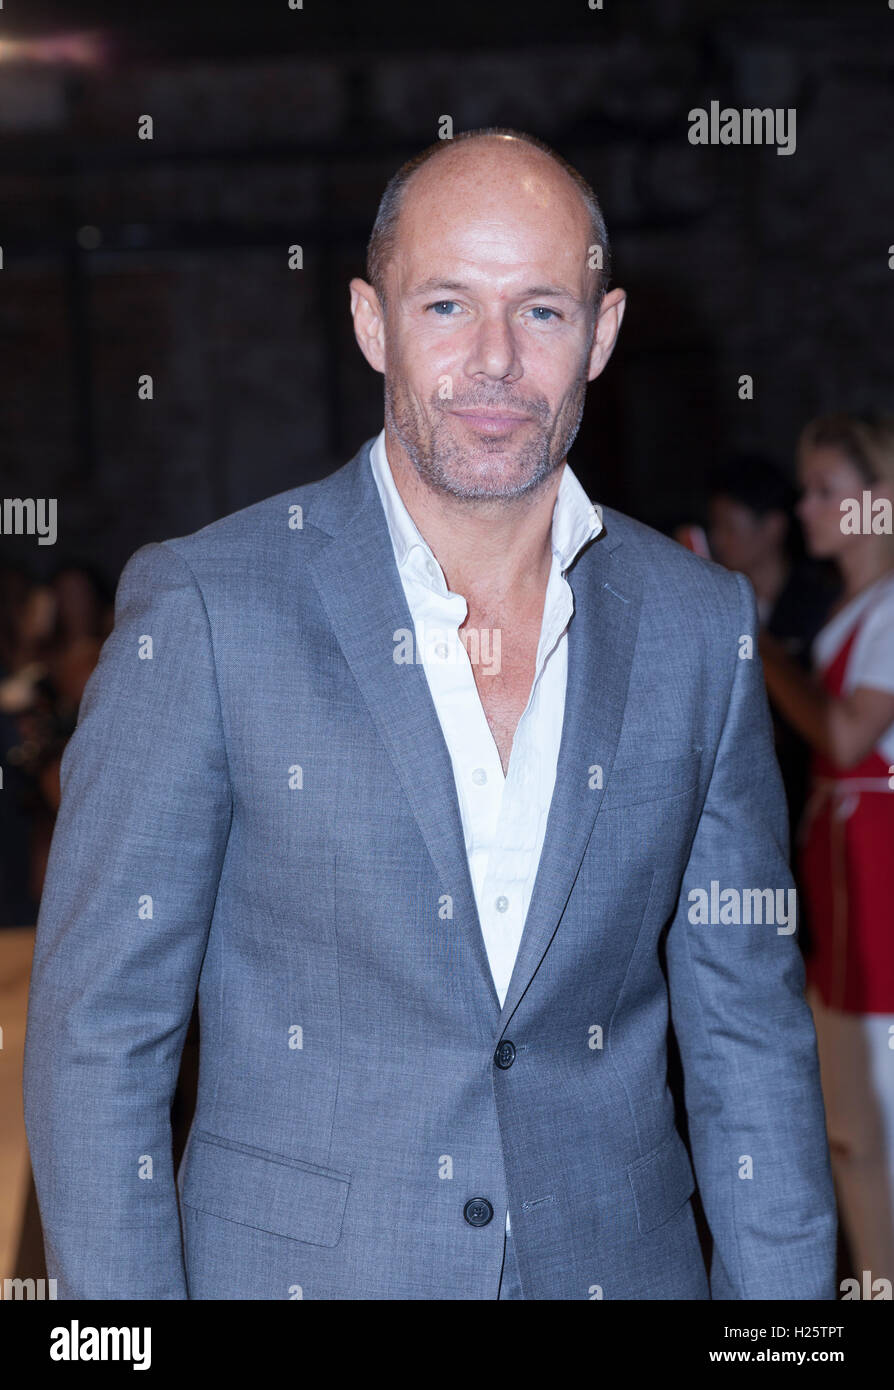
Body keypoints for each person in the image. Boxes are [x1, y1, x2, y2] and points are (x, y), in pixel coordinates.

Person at [24, 127, 836, 1301]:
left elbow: (750, 1036)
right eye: (448, 304)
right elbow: (97, 1041)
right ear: (371, 322)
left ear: (601, 335)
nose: (496, 360)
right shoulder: (208, 606)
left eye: (544, 311)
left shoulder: (696, 625)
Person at [758, 411, 894, 1286]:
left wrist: (757, 648)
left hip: (880, 879)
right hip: (844, 875)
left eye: (824, 491)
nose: (805, 507)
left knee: (881, 1106)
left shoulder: (890, 608)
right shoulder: (848, 608)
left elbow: (847, 737)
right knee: (851, 1125)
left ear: (877, 503)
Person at [707, 455, 840, 863]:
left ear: (773, 527)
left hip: (807, 802)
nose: (718, 540)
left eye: (730, 527)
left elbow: (827, 721)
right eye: (713, 528)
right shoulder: (712, 603)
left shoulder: (822, 606)